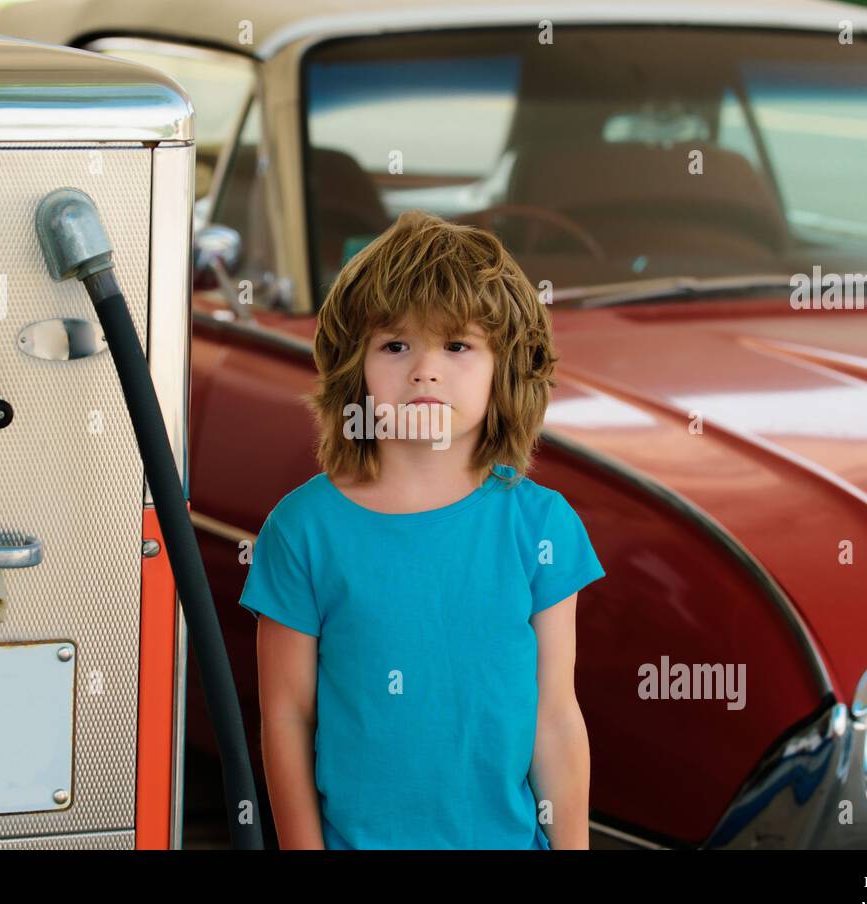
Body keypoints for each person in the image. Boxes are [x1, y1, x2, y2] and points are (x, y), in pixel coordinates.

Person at [239, 209, 605, 849]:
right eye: (395, 345)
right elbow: (287, 718)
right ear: (355, 367)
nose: (424, 370)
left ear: (504, 370)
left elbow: (555, 718)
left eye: (457, 345)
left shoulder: (540, 526)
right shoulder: (302, 530)